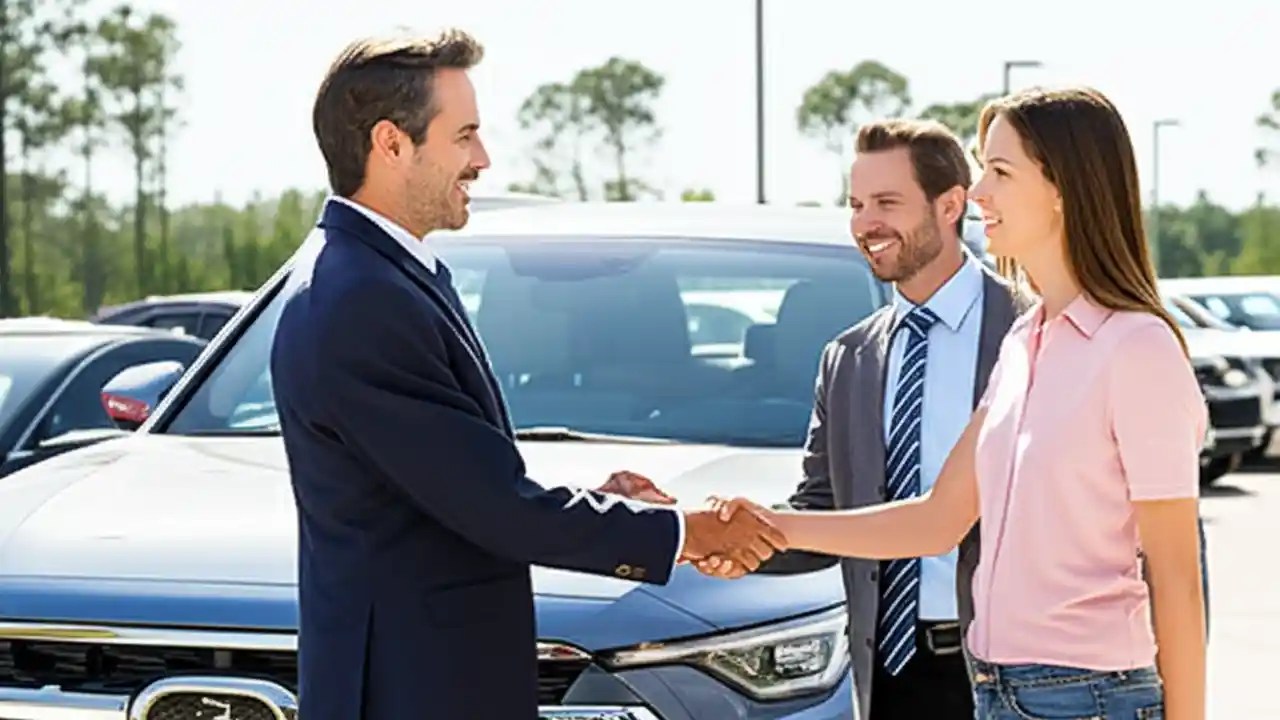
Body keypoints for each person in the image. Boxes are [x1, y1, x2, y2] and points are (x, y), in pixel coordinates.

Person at [269, 31, 783, 720]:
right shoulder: (360, 298)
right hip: (408, 694)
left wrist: (598, 498)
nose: (483, 160)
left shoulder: (385, 276)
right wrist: (685, 534)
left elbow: (447, 489)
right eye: (465, 137)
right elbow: (491, 505)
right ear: (391, 144)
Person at [708, 86, 1208, 720]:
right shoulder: (1027, 341)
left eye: (1000, 171)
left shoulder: (1137, 349)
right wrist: (760, 525)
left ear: (1064, 189)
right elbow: (937, 519)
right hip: (995, 692)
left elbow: (1178, 582)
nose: (978, 195)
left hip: (1092, 698)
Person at [697, 118, 1026, 719]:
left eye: (886, 202)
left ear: (950, 204)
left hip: (1010, 674)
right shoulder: (848, 359)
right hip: (889, 677)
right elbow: (824, 516)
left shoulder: (1032, 332)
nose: (865, 224)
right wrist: (713, 531)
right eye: (855, 205)